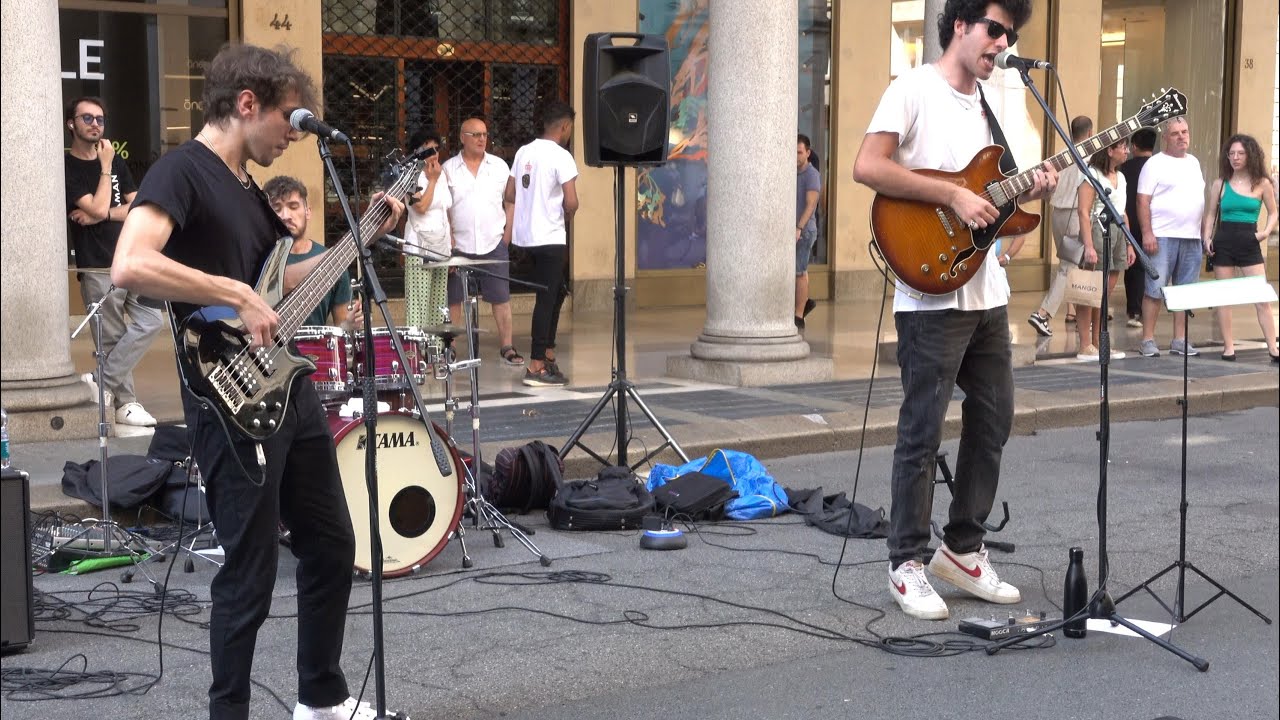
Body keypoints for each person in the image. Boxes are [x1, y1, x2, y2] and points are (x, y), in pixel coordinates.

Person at [111, 44, 404, 720]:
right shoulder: (181, 171)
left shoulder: (248, 190)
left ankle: (321, 700)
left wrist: (365, 234)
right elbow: (130, 263)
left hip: (286, 387)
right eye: (287, 121)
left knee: (332, 544)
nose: (293, 138)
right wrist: (231, 293)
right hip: (226, 396)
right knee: (250, 571)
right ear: (247, 104)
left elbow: (280, 286)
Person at [853, 0, 1054, 621]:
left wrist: (1034, 186)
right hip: (930, 291)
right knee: (922, 428)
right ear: (960, 25)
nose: (1002, 42)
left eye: (1011, 34)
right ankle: (906, 562)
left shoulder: (998, 104)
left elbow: (998, 202)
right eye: (995, 29)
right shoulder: (912, 88)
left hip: (986, 291)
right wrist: (950, 194)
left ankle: (963, 549)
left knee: (994, 419)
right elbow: (868, 165)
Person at [64, 95, 163, 427]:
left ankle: (99, 381)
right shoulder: (68, 166)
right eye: (87, 118)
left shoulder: (117, 160)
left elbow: (138, 207)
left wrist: (101, 214)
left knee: (151, 321)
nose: (95, 125)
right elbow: (92, 207)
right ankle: (127, 403)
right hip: (96, 262)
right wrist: (105, 169)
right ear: (71, 124)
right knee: (110, 334)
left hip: (131, 255)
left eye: (100, 120)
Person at [505, 101, 579, 387]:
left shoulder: (524, 151)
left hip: (526, 239)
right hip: (550, 237)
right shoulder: (562, 156)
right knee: (546, 300)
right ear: (564, 127)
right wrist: (568, 215)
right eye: (570, 128)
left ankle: (548, 353)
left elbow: (510, 192)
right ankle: (536, 365)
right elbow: (571, 200)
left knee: (558, 291)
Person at [443, 117, 523, 366]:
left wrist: (506, 236)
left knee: (501, 298)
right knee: (454, 299)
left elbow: (510, 201)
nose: (481, 139)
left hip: (493, 243)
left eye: (485, 134)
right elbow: (443, 208)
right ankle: (451, 347)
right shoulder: (448, 168)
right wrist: (450, 240)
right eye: (475, 134)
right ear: (462, 138)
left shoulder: (499, 167)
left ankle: (507, 347)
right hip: (460, 245)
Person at [1201, 134, 1279, 362]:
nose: (1235, 158)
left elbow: (1274, 212)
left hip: (1249, 241)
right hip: (1223, 241)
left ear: (1250, 155)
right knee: (1224, 297)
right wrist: (1206, 238)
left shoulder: (1262, 183)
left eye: (1240, 153)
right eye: (1231, 153)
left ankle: (1273, 347)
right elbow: (1211, 214)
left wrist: (1265, 232)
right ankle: (1228, 347)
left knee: (1261, 297)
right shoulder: (1220, 183)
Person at [1136, 117, 1204, 358]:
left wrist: (1204, 234)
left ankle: (1180, 339)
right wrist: (1147, 233)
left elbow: (1200, 200)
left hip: (1191, 237)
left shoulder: (1194, 163)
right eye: (1175, 133)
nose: (1181, 137)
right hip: (1162, 236)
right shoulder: (1154, 164)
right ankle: (1147, 339)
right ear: (1165, 138)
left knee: (1185, 291)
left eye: (1185, 131)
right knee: (1154, 289)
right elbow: (1142, 200)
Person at [263, 175, 362, 331]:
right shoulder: (257, 260)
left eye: (293, 206)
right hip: (266, 354)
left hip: (316, 354)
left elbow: (341, 330)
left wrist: (349, 325)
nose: (285, 215)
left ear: (307, 212)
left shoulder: (332, 261)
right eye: (277, 209)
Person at [1027, 115, 1092, 337]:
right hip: (1076, 216)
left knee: (1068, 265)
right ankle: (1042, 313)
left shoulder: (1060, 158)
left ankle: (1073, 312)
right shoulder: (1090, 155)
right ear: (1090, 133)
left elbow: (1049, 188)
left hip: (1058, 214)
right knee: (1069, 267)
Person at [1074, 142, 1136, 360]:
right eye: (1123, 147)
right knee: (1090, 291)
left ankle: (1100, 342)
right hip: (1099, 230)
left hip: (1118, 232)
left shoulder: (1122, 177)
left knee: (1104, 295)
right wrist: (1089, 245)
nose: (1127, 150)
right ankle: (1085, 344)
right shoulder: (1092, 174)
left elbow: (1123, 212)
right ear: (1110, 151)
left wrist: (1129, 243)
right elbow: (1083, 211)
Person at [404, 127, 453, 331]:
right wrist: (432, 180)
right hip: (419, 246)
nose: (434, 155)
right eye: (428, 150)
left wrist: (451, 247)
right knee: (419, 307)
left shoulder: (442, 174)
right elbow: (421, 207)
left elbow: (445, 210)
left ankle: (436, 354)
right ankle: (417, 356)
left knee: (438, 306)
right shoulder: (409, 177)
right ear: (417, 153)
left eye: (436, 149)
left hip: (440, 245)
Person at [1119, 127, 1157, 328]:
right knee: (1154, 265)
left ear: (1134, 146)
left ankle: (1134, 310)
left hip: (1130, 222)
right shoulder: (1158, 166)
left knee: (1133, 267)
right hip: (1154, 223)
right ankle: (1151, 306)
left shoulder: (1124, 168)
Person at [795, 134, 821, 330]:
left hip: (804, 231)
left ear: (808, 153)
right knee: (799, 270)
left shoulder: (811, 174)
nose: (795, 156)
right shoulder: (792, 172)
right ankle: (804, 303)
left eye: (799, 152)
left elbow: (811, 204)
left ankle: (798, 316)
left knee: (799, 272)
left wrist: (799, 228)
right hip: (794, 230)